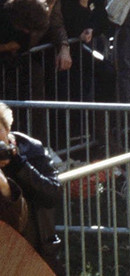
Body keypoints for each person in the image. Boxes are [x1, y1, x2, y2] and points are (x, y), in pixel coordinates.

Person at [0, 102, 63, 274]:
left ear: (7, 129)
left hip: (38, 251)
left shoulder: (30, 148)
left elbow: (53, 194)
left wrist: (19, 165)